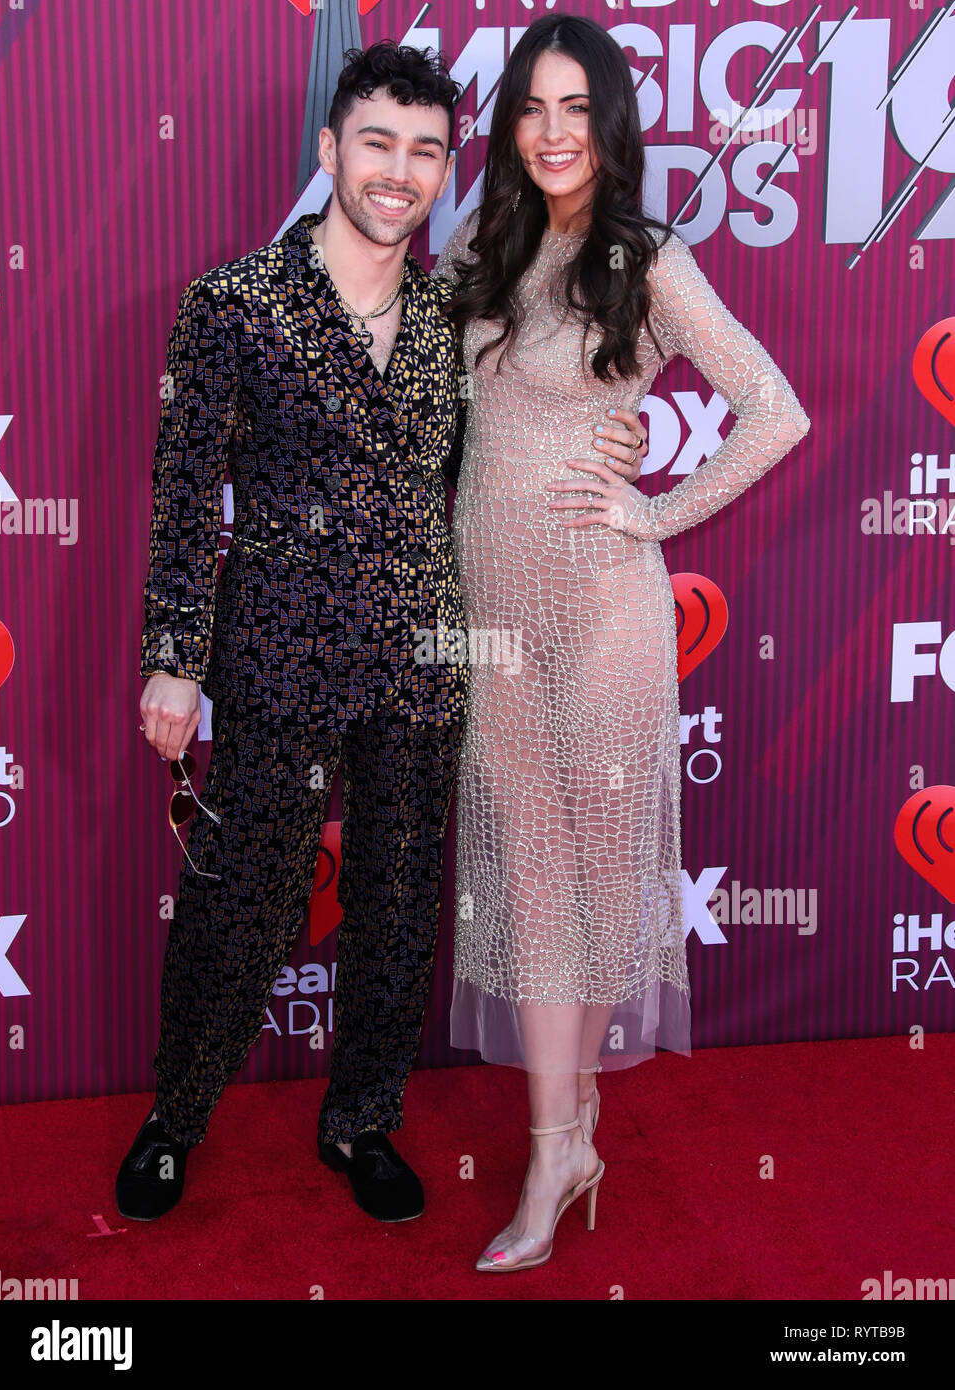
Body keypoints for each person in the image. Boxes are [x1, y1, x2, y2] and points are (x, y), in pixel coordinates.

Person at [117, 38, 648, 1226]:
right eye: (376, 142)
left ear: (444, 166)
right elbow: (183, 492)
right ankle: (174, 1116)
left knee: (399, 906)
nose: (398, 170)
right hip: (274, 655)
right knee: (239, 900)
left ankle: (360, 1121)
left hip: (424, 656)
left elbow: (535, 427)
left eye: (423, 150)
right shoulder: (231, 307)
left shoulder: (460, 310)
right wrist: (172, 654)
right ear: (330, 150)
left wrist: (625, 443)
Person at [431, 12, 811, 1271]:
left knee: (592, 876)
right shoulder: (479, 250)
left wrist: (654, 501)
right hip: (485, 621)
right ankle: (569, 1125)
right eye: (530, 109)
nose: (550, 133)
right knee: (530, 878)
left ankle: (555, 1147)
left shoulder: (644, 256)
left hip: (603, 610)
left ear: (608, 123)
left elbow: (770, 408)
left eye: (574, 108)